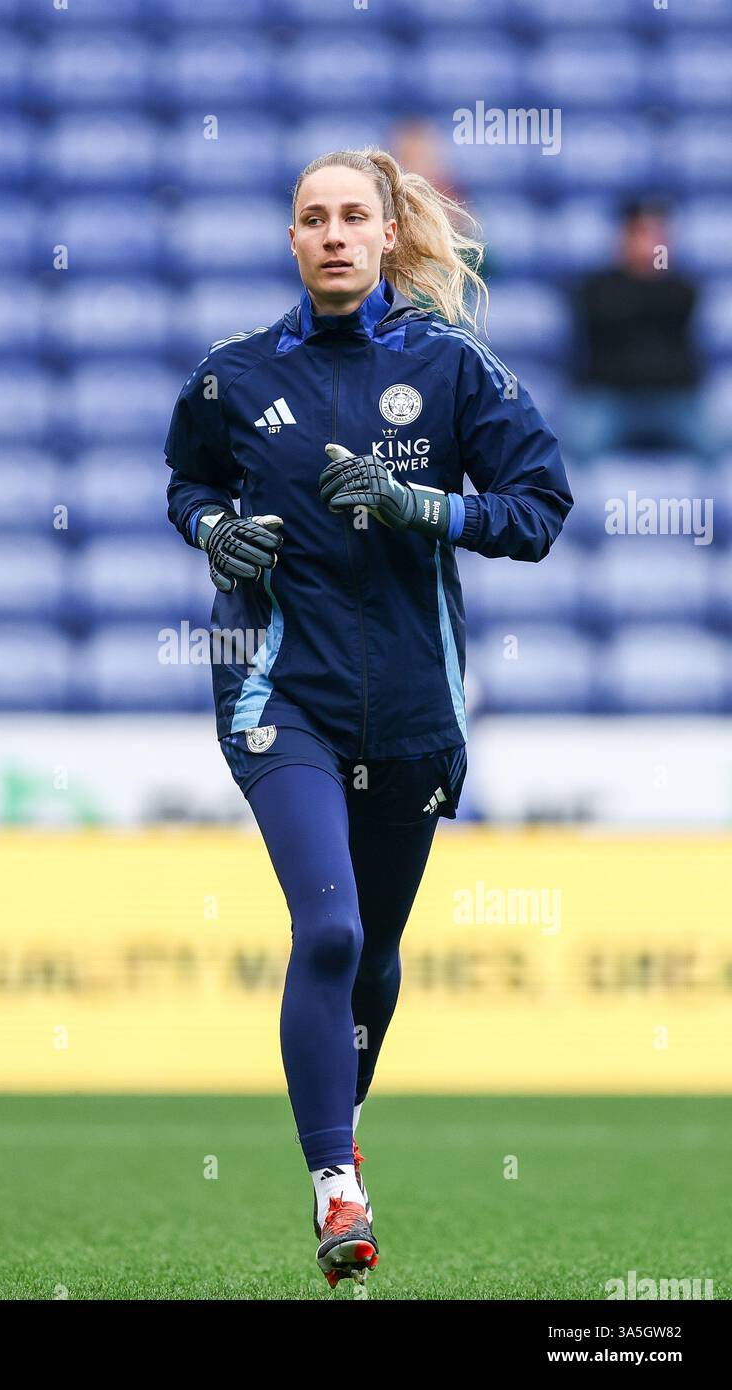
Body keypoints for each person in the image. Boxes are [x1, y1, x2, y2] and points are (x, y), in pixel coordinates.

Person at [163, 147, 573, 1288]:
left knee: (376, 955)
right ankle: (334, 1180)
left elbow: (538, 510)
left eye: (353, 215)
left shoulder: (451, 369)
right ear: (290, 240)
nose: (333, 233)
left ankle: (336, 1117)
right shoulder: (229, 377)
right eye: (311, 217)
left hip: (410, 710)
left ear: (388, 234)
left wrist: (417, 505)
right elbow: (186, 483)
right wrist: (210, 533)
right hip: (276, 693)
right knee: (330, 932)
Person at [566, 199, 708, 459]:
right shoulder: (594, 289)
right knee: (578, 443)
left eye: (656, 235)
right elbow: (610, 322)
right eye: (641, 234)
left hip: (672, 398)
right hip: (611, 398)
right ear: (624, 238)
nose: (650, 244)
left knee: (713, 442)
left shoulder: (683, 289)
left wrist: (650, 278)